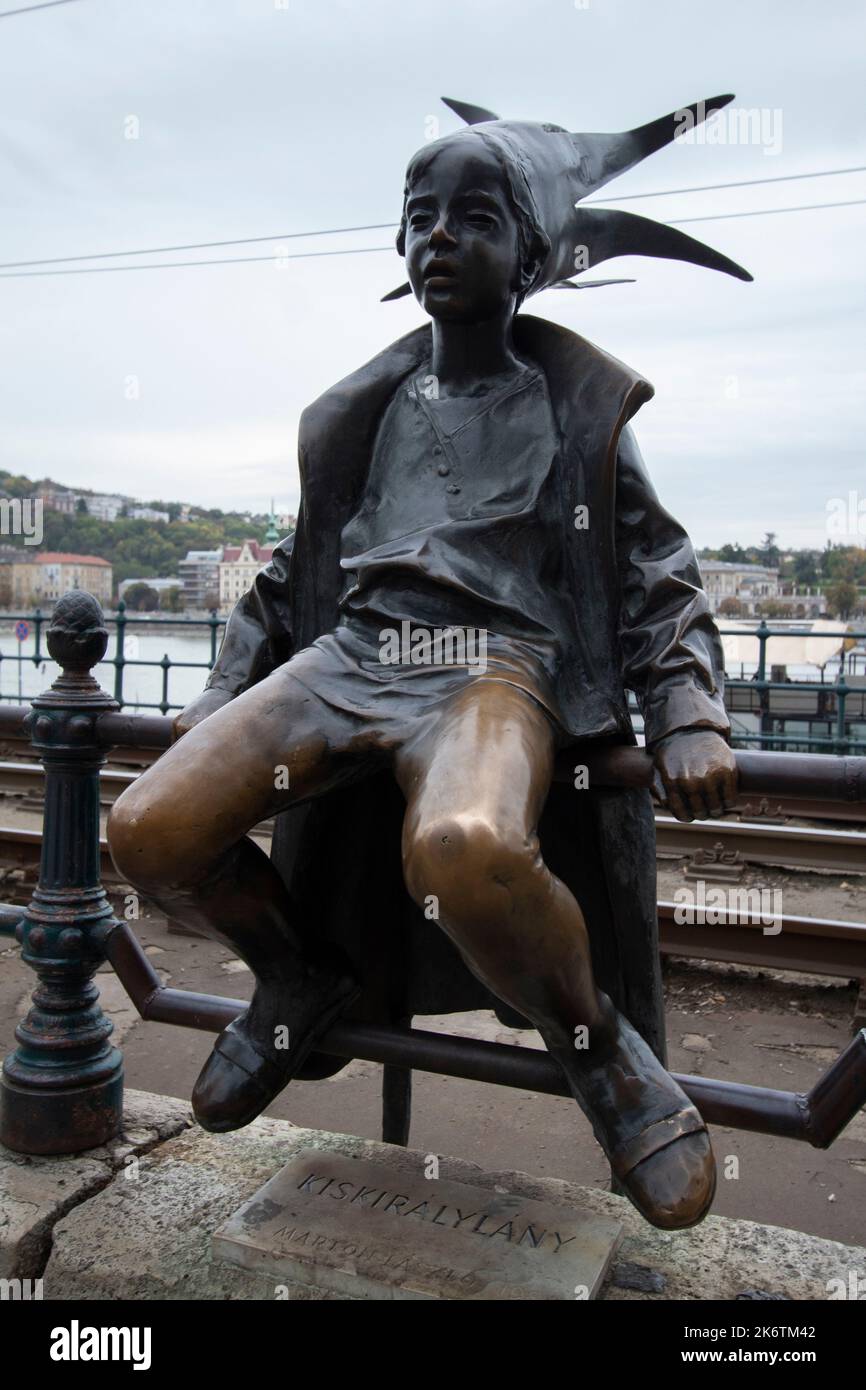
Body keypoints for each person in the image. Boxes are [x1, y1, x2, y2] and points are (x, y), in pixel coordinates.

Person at [108, 93, 748, 1229]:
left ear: (529, 254)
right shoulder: (367, 410)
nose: (438, 237)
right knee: (148, 827)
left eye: (473, 217)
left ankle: (602, 1060)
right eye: (419, 217)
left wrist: (687, 698)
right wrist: (219, 687)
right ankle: (299, 980)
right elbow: (290, 574)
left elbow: (655, 562)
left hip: (493, 669)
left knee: (462, 847)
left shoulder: (571, 402)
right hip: (353, 657)